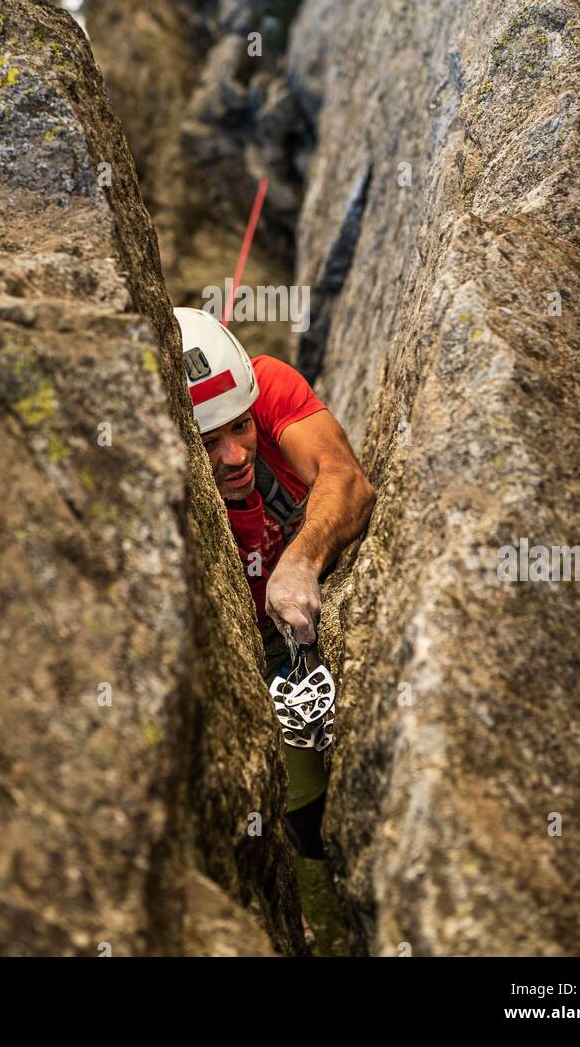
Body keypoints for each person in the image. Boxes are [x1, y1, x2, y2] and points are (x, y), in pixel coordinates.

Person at [173, 307, 375, 861]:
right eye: (209, 443)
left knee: (310, 807)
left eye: (241, 427)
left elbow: (347, 480)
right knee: (285, 808)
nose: (235, 456)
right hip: (231, 650)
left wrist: (300, 560)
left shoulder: (266, 385)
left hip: (293, 624)